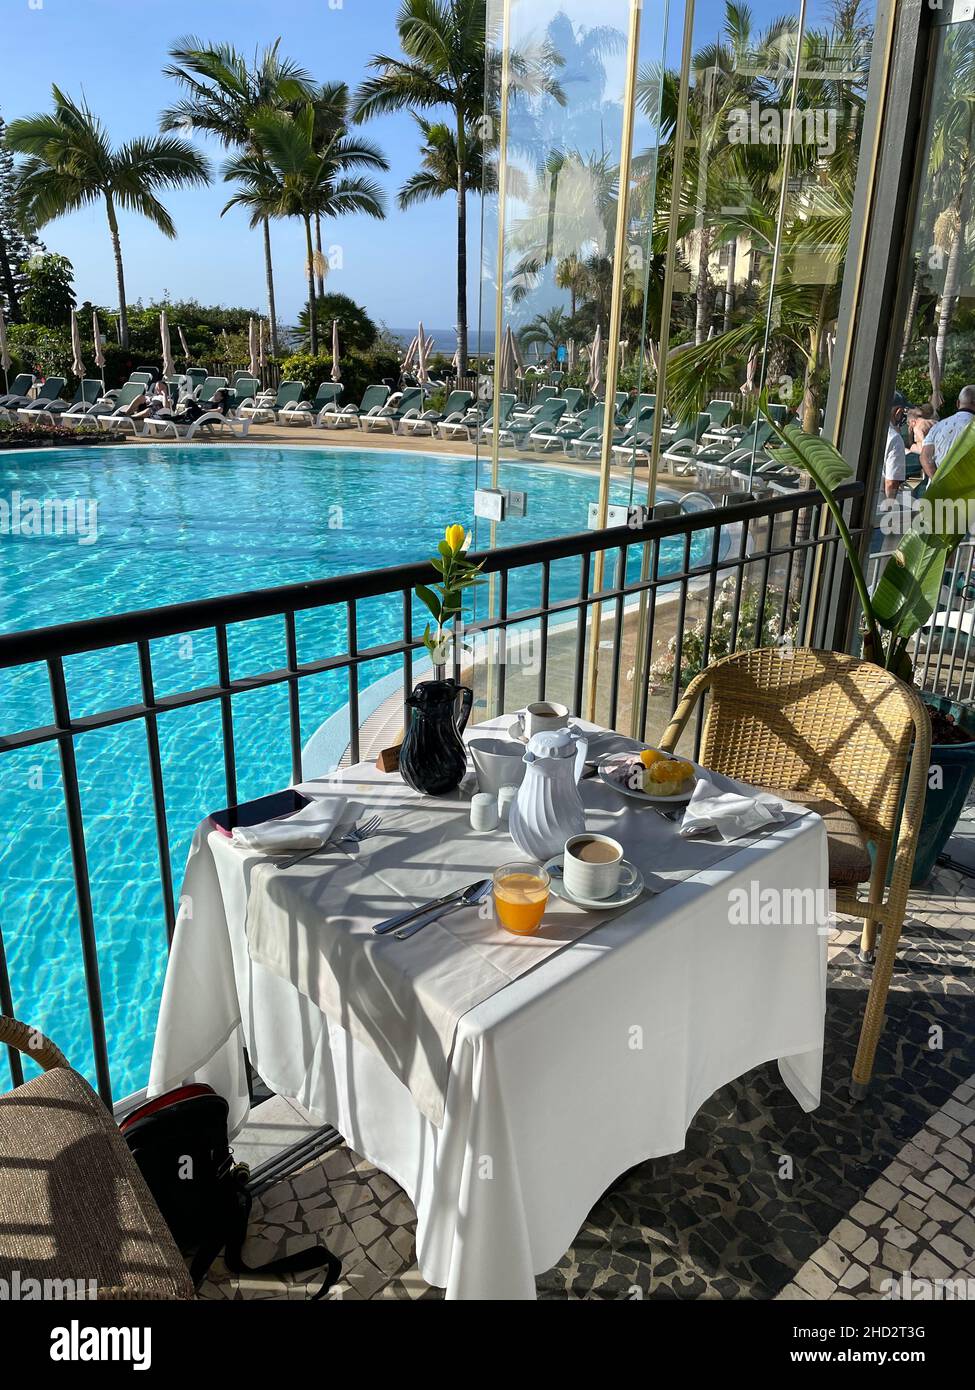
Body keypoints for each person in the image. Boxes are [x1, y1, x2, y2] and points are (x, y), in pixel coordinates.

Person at [873, 392, 907, 558]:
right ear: (898, 411)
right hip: (876, 507)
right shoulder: (894, 438)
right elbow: (891, 483)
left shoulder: (867, 429)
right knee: (868, 556)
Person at [920, 384, 975, 477]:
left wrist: (936, 482)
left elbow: (925, 457)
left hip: (938, 490)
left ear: (958, 403)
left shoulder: (938, 426)